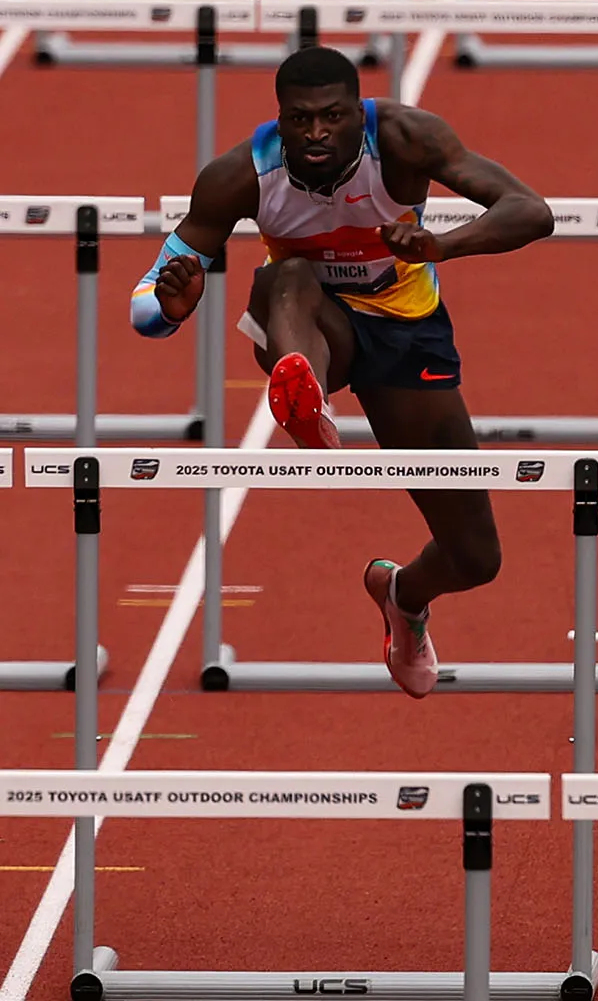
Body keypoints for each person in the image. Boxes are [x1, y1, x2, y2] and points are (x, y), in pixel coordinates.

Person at [128, 45, 556, 698]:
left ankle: (402, 594)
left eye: (332, 116)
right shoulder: (240, 174)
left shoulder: (408, 137)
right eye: (300, 120)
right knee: (287, 276)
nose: (317, 132)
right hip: (308, 325)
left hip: (407, 333)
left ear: (361, 113)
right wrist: (169, 309)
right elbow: (144, 304)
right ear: (280, 119)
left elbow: (531, 211)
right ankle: (303, 396)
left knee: (475, 556)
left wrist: (444, 244)